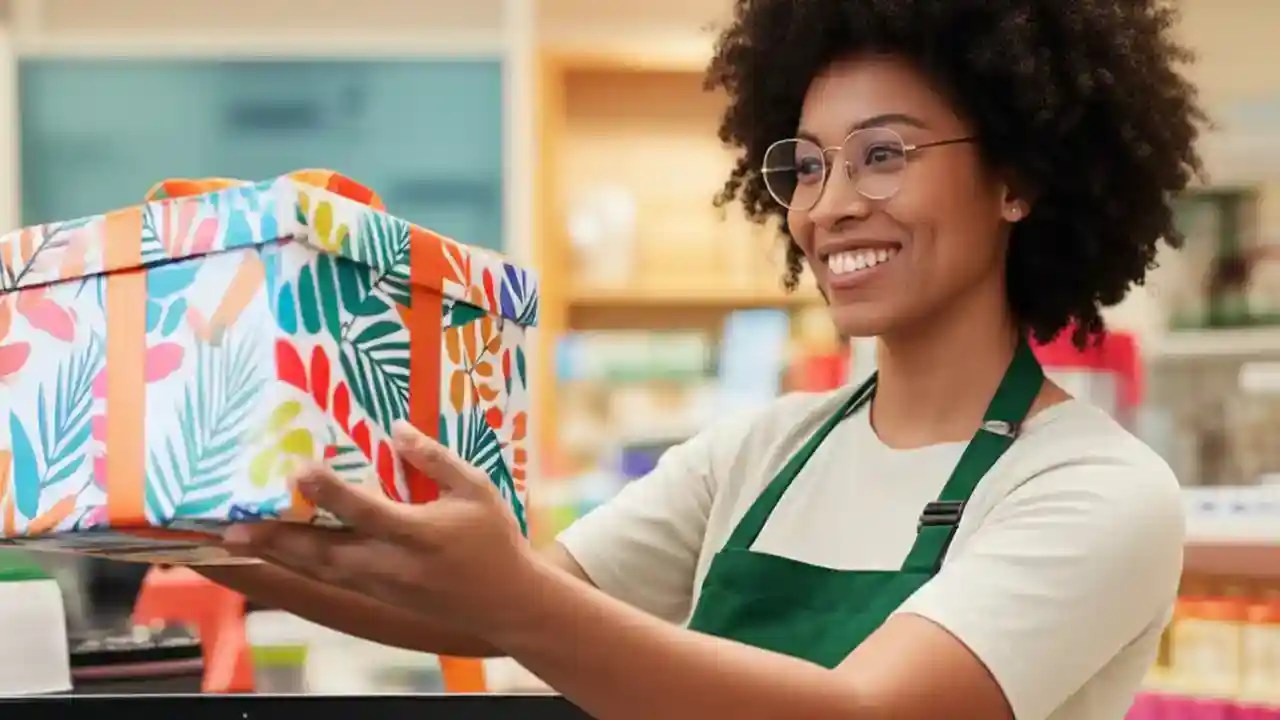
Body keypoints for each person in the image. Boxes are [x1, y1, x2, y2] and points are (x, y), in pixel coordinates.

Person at [200, 1, 1206, 718]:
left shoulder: (1094, 489)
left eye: (883, 155)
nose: (827, 204)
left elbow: (869, 713)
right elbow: (491, 608)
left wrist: (508, 592)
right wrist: (209, 541)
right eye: (805, 165)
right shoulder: (762, 453)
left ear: (1017, 181)